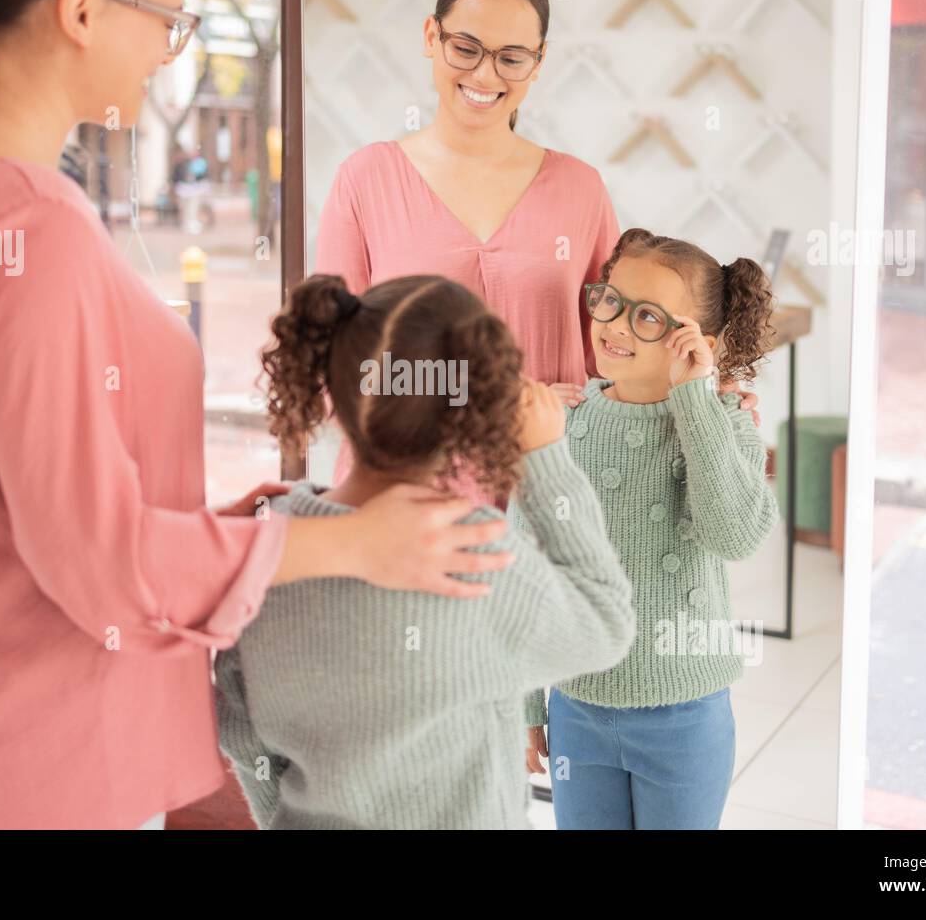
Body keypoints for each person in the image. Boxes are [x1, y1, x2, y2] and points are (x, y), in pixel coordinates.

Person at [0, 0, 512, 830]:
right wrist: (359, 545)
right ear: (79, 10)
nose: (167, 48)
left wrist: (241, 532)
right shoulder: (32, 230)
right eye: (166, 19)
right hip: (29, 768)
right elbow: (102, 563)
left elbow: (7, 514)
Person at [315, 0, 759, 505]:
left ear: (539, 60)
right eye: (466, 47)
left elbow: (617, 350)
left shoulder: (580, 189)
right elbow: (333, 370)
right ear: (432, 35)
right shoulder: (366, 180)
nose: (484, 74)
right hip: (402, 494)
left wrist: (699, 391)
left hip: (549, 492)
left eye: (511, 57)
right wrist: (498, 405)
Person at [215, 273, 636, 828]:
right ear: (473, 416)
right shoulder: (471, 551)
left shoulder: (260, 548)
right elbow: (605, 626)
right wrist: (546, 460)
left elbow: (246, 742)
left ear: (338, 394)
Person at [519, 228, 781, 829]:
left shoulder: (726, 425)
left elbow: (734, 536)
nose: (613, 324)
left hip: (685, 715)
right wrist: (528, 699)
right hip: (578, 708)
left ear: (701, 344)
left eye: (648, 317)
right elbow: (529, 570)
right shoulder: (563, 421)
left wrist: (696, 398)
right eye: (609, 299)